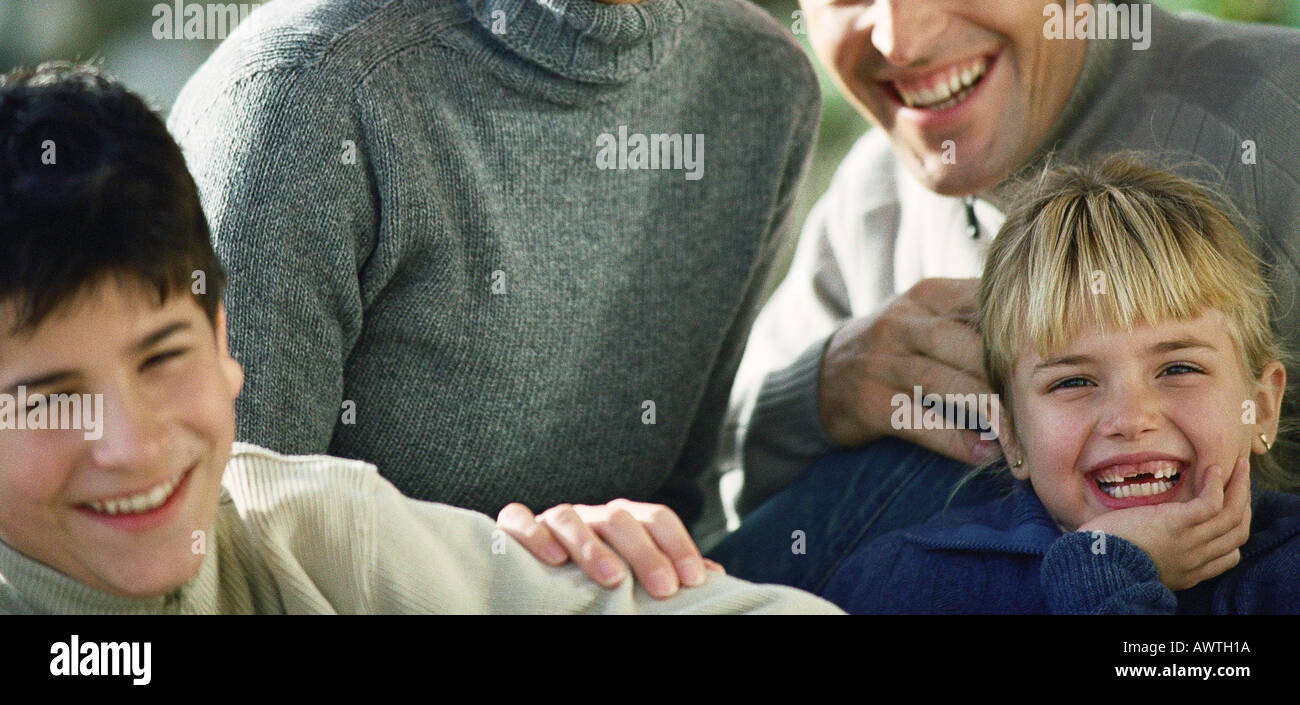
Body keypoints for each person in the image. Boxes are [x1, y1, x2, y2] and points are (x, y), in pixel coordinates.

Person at [167, 0, 821, 596]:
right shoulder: (306, 103)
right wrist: (488, 568)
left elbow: (681, 502)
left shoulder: (761, 87)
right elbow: (214, 556)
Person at [710, 0, 1300, 586]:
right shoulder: (867, 210)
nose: (899, 35)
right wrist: (825, 392)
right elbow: (729, 499)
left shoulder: (1276, 124)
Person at [0, 63, 839, 615]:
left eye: (162, 357)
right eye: (49, 398)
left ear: (222, 341)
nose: (132, 442)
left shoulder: (311, 531)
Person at [821, 156, 1299, 613]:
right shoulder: (908, 585)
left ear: (1261, 407)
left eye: (1178, 369)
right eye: (1073, 381)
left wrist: (1108, 572)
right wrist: (1108, 568)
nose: (1130, 419)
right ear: (1010, 434)